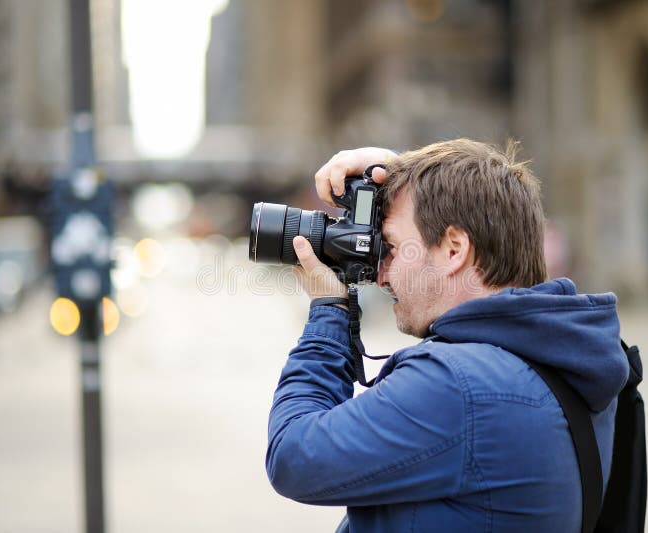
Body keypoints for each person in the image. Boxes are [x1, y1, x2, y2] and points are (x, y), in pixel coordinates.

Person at [265, 139, 629, 532]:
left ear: (454, 249)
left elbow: (292, 455)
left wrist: (328, 311)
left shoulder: (457, 385)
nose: (380, 273)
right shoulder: (559, 358)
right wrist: (409, 175)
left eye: (389, 246)